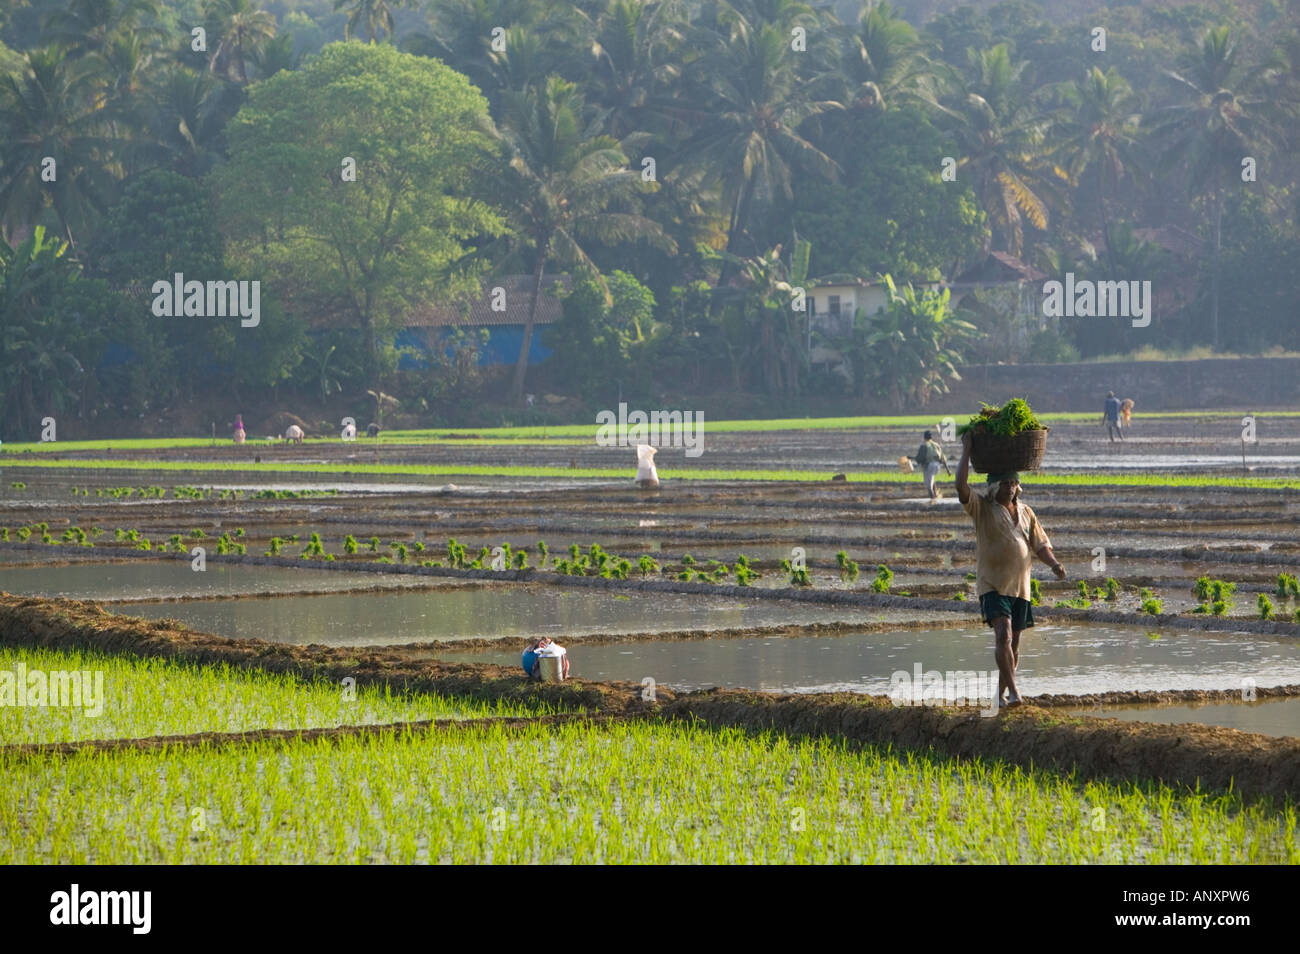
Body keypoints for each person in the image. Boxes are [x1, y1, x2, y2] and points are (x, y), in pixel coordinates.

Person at [955, 439, 1066, 707]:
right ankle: (1015, 692)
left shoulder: (1027, 512)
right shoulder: (982, 508)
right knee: (1003, 635)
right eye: (1005, 483)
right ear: (994, 487)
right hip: (992, 584)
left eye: (1013, 483)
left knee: (1014, 644)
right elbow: (960, 487)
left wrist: (1054, 564)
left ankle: (1001, 694)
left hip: (1021, 586)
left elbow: (1040, 545)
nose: (1011, 487)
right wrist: (967, 449)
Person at [910, 430, 951, 500]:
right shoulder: (936, 445)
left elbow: (920, 458)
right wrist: (948, 470)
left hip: (929, 466)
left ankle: (933, 500)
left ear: (924, 437)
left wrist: (911, 458)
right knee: (931, 479)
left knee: (929, 486)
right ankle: (936, 495)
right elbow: (943, 458)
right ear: (931, 437)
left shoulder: (924, 445)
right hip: (937, 466)